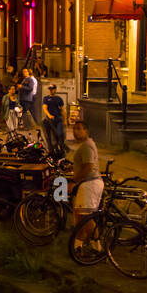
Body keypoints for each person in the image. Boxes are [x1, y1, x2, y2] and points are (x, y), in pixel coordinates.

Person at [70, 120, 104, 251]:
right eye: (74, 129)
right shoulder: (86, 145)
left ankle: (97, 247)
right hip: (88, 184)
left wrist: (74, 180)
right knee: (79, 217)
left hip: (89, 184)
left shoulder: (86, 146)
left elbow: (89, 166)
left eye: (79, 129)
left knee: (85, 218)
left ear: (86, 131)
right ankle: (78, 246)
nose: (75, 132)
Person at [42, 84, 66, 154]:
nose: (51, 91)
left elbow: (63, 110)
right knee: (48, 135)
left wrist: (65, 120)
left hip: (58, 119)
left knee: (59, 135)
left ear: (55, 89)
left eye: (52, 89)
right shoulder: (46, 98)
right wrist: (49, 115)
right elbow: (45, 108)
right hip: (49, 120)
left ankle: (61, 149)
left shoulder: (59, 99)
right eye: (50, 89)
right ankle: (51, 150)